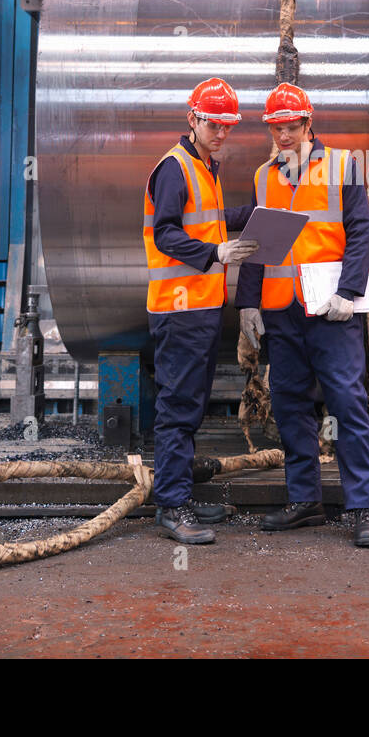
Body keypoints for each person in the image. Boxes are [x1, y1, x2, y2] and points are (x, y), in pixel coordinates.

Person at [235, 82, 369, 547]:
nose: (283, 133)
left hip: (332, 311)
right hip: (283, 312)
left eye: (290, 125)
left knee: (347, 404)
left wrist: (349, 290)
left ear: (307, 122)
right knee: (289, 405)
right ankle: (305, 501)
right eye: (276, 126)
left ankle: (363, 509)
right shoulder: (265, 176)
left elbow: (361, 230)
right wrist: (247, 302)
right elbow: (257, 244)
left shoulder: (343, 165)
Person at [144, 78, 258, 544]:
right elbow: (167, 233)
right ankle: (170, 507)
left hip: (202, 309)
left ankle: (181, 495)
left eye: (227, 125)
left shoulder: (204, 166)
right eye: (214, 124)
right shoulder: (174, 168)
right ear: (193, 119)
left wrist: (255, 213)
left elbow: (205, 219)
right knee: (177, 407)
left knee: (191, 407)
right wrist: (217, 254)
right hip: (179, 310)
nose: (221, 133)